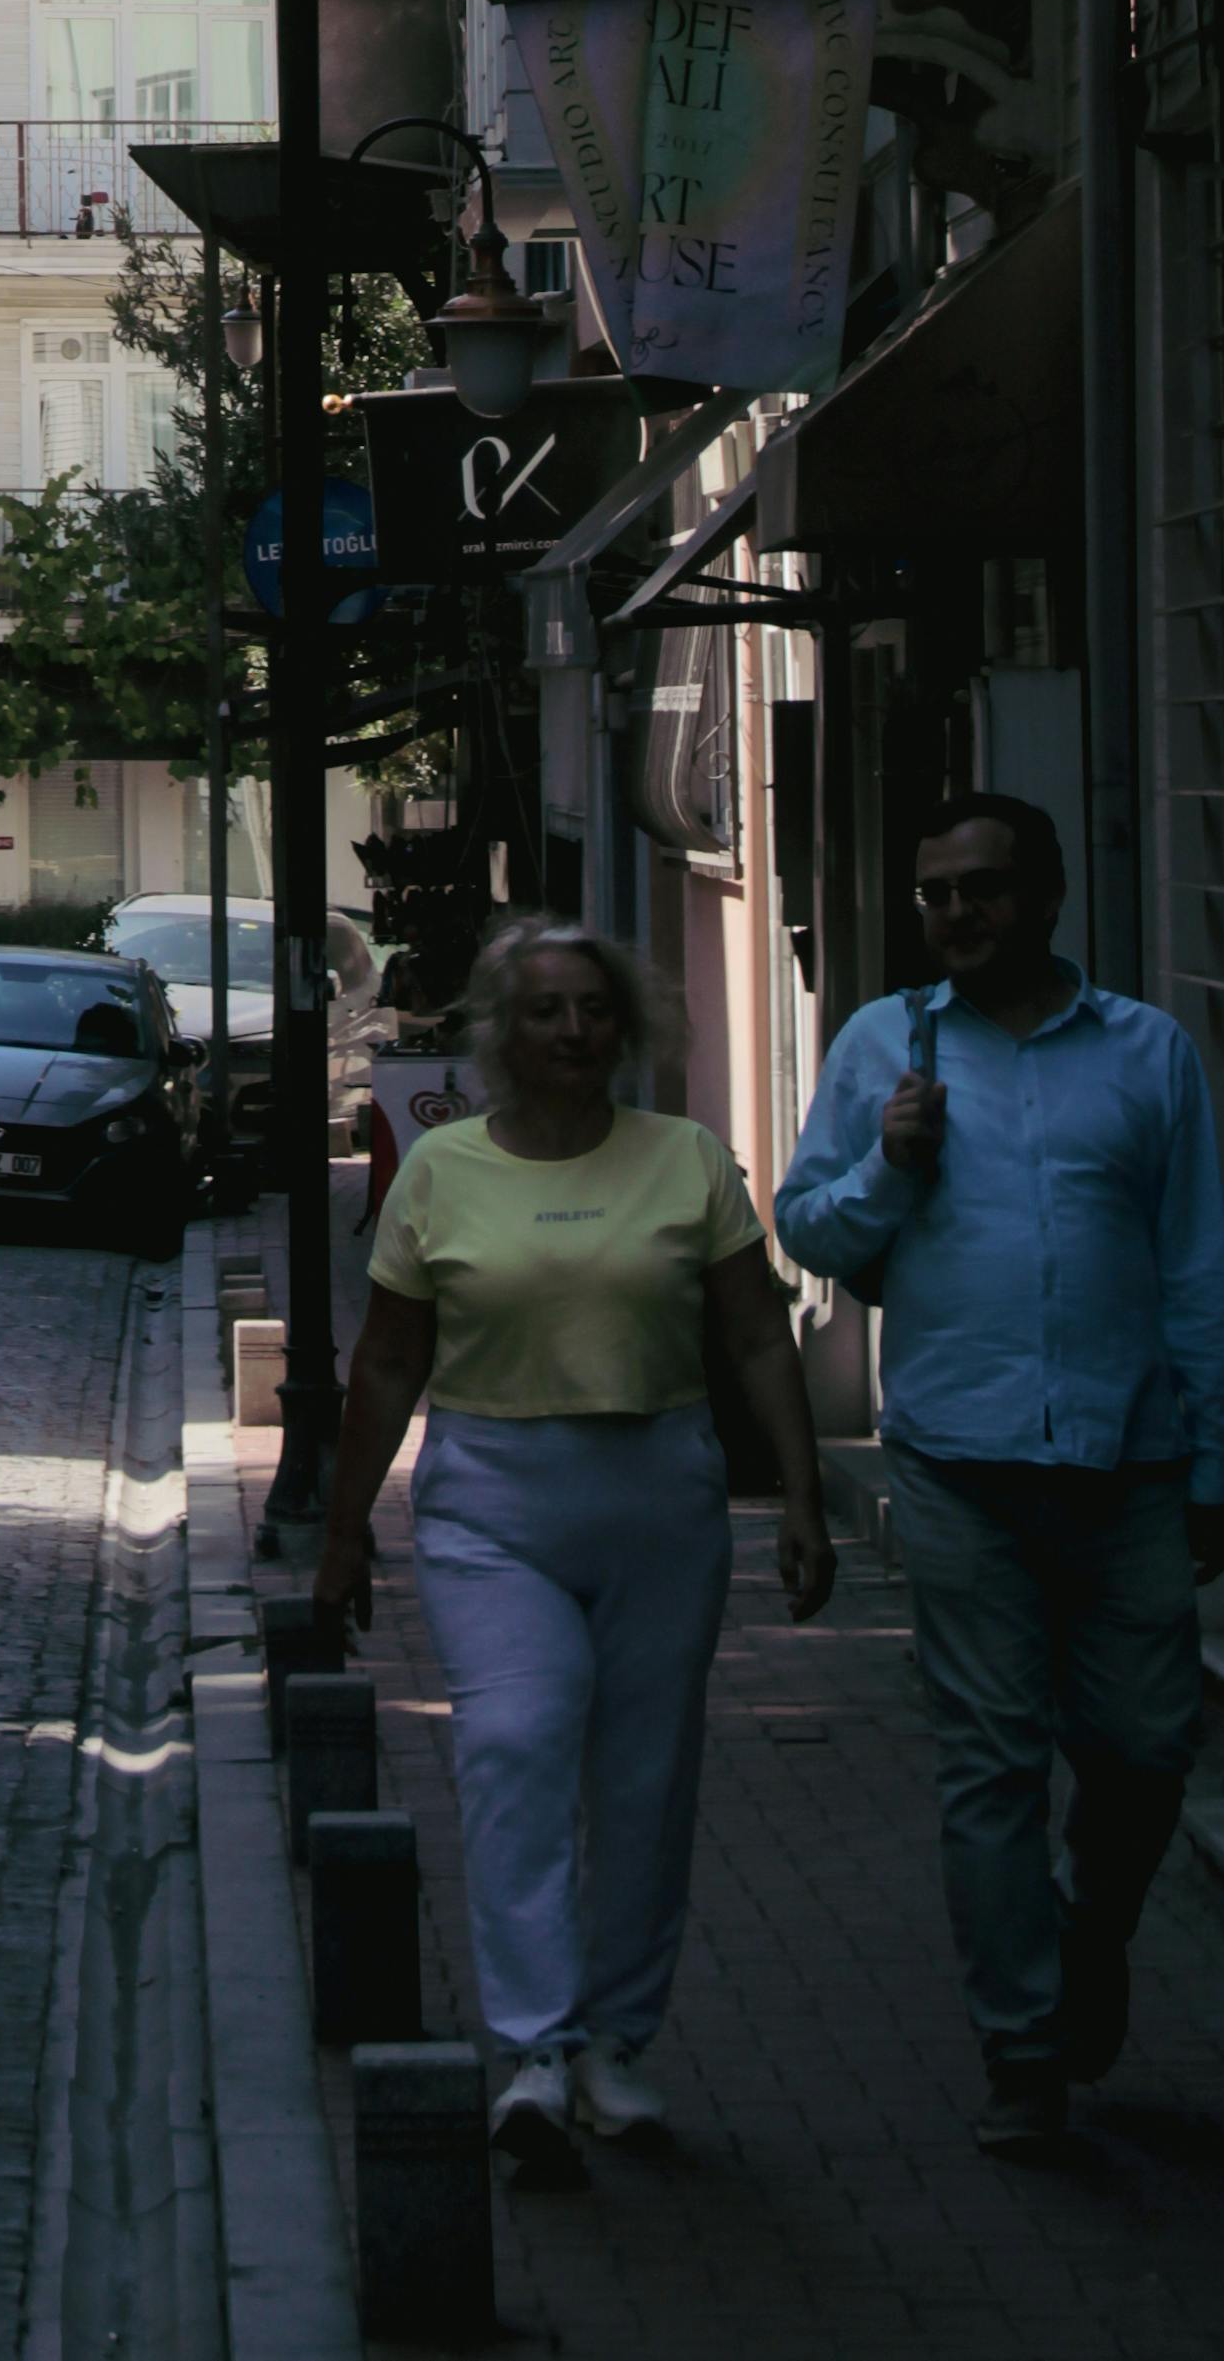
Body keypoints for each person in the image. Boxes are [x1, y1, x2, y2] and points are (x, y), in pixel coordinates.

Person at [777, 791, 1224, 2157]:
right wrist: (890, 1162)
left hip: (1131, 1462)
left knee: (1145, 1749)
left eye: (980, 888)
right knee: (988, 1765)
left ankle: (1087, 1930)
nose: (954, 913)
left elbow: (1194, 1264)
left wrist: (1218, 1456)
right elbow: (806, 1222)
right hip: (957, 1465)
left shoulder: (1146, 1053)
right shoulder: (885, 1044)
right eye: (934, 892)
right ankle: (1024, 2052)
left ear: (1044, 897)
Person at [312, 914, 832, 2171]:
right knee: (514, 1741)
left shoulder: (688, 1161)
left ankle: (617, 2042)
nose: (569, 1030)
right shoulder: (441, 1171)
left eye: (591, 1009)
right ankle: (535, 2047)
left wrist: (806, 1500)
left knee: (647, 1779)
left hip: (659, 1489)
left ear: (625, 1026)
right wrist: (340, 1536)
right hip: (493, 1495)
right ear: (500, 1030)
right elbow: (386, 1360)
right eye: (542, 1010)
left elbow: (759, 1335)